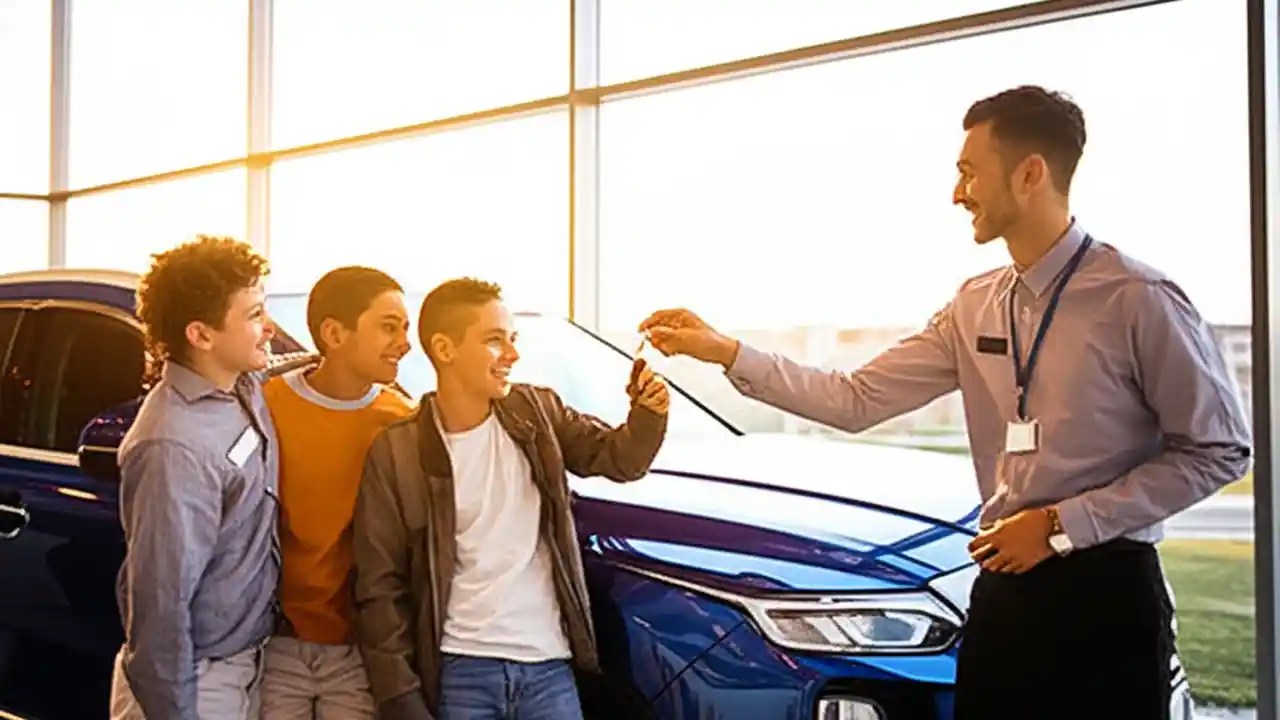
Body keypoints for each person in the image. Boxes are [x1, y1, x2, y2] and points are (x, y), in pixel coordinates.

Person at [638, 85, 1252, 719]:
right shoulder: (974, 304)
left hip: (1106, 597)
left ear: (1030, 173)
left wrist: (1060, 527)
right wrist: (727, 351)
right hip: (1001, 596)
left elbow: (1219, 450)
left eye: (968, 172)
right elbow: (855, 399)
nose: (957, 193)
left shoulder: (1139, 297)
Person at [353, 277, 670, 720]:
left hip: (548, 668)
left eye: (513, 339)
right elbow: (379, 584)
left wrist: (648, 413)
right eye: (495, 341)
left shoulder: (537, 414)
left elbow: (620, 459)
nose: (513, 355)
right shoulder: (398, 451)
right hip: (458, 671)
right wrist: (400, 696)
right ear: (445, 349)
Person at [110, 235, 281, 720]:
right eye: (253, 316)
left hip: (243, 663)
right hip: (192, 681)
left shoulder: (239, 385)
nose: (269, 328)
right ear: (201, 335)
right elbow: (160, 607)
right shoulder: (172, 446)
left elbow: (279, 365)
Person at [260, 266, 416, 718]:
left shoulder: (400, 420)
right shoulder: (265, 404)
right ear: (333, 333)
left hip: (358, 650)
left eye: (405, 328)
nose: (405, 343)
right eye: (389, 327)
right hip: (275, 642)